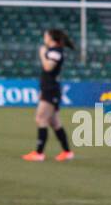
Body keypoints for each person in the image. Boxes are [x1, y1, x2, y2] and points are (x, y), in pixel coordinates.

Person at [22, 28, 75, 161]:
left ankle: (39, 153)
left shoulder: (55, 52)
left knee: (41, 118)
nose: (44, 38)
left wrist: (42, 54)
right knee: (54, 122)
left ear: (51, 38)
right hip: (48, 89)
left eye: (45, 36)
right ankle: (67, 152)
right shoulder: (53, 51)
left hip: (51, 90)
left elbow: (48, 67)